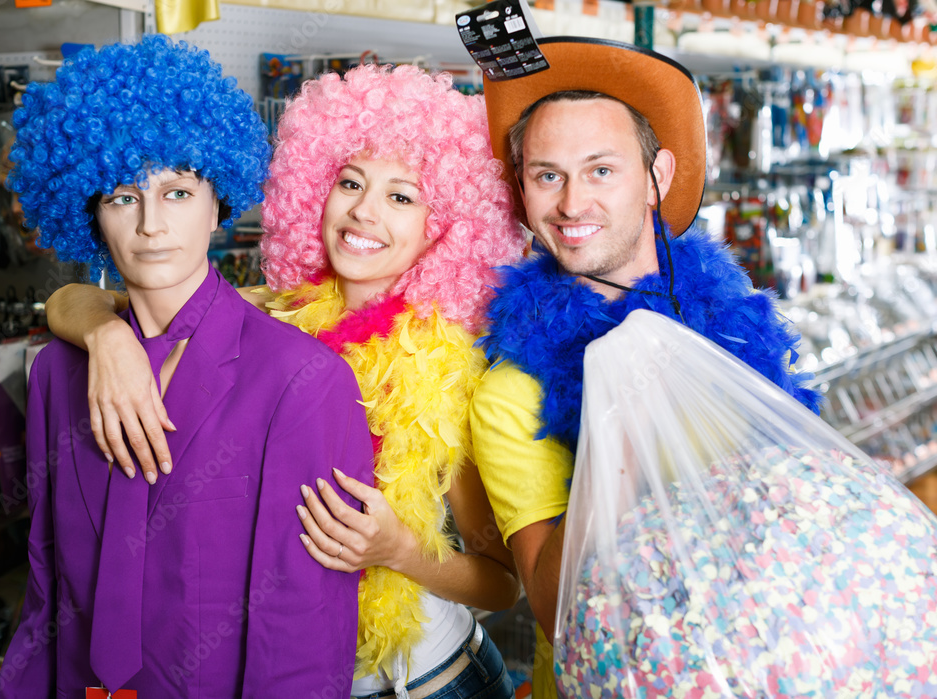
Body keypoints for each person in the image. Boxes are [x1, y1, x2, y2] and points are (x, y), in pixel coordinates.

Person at [44, 63, 526, 698]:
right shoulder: (269, 313)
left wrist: (398, 551)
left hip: (423, 681)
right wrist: (104, 337)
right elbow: (82, 298)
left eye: (401, 196)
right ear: (315, 190)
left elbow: (503, 582)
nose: (363, 211)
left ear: (446, 226)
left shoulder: (455, 376)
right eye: (350, 182)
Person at [0, 36, 374, 698]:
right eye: (122, 196)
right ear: (88, 209)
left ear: (218, 199)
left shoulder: (302, 381)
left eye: (176, 191)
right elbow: (46, 583)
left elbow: (303, 630)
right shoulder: (57, 374)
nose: (149, 225)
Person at [467, 37, 823, 699]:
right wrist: (616, 427)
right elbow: (555, 608)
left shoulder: (730, 323)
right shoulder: (510, 393)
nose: (572, 203)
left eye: (601, 170)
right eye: (548, 174)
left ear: (657, 177)